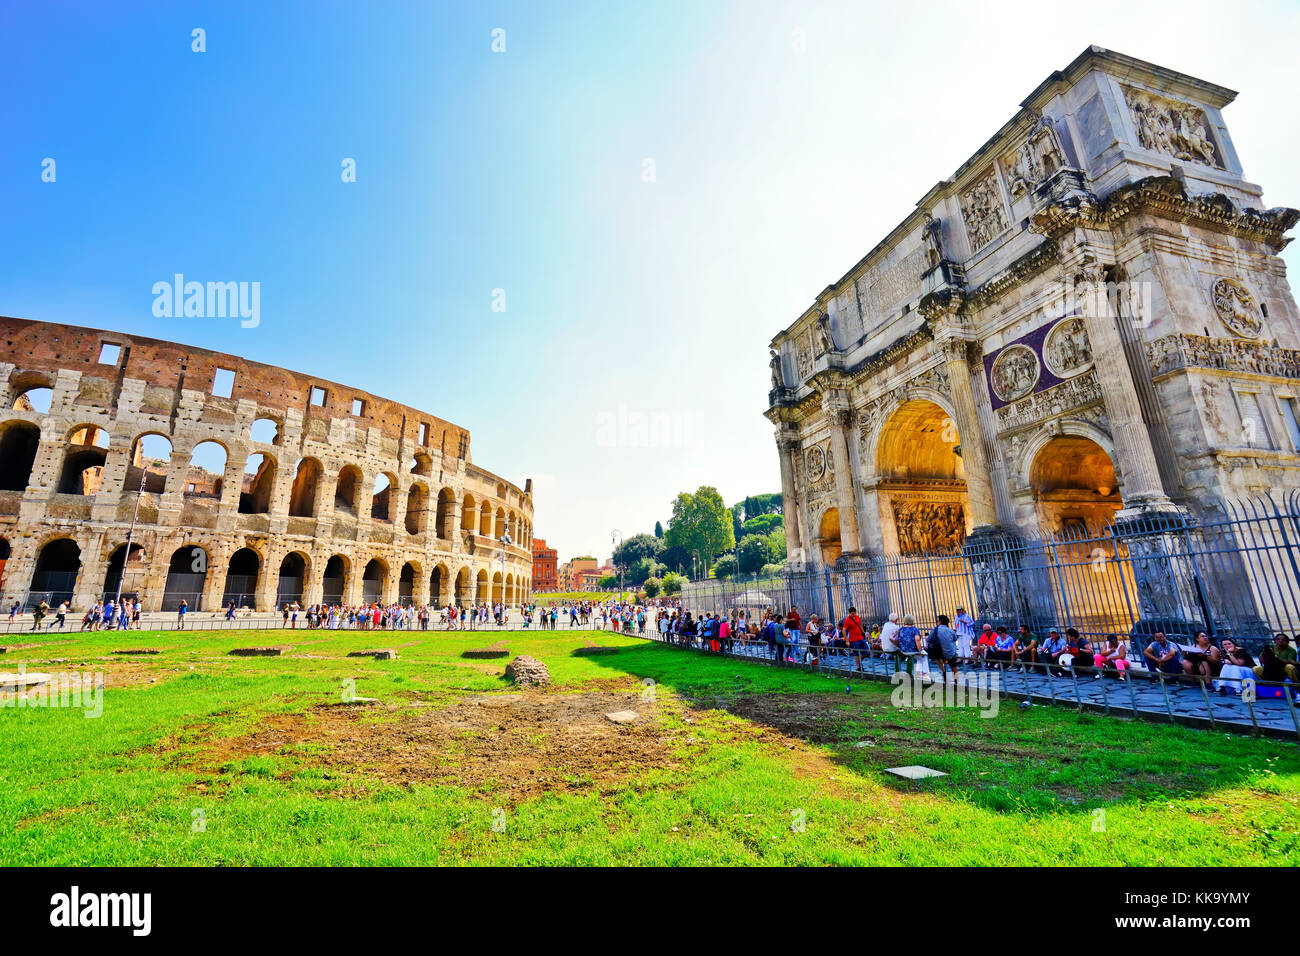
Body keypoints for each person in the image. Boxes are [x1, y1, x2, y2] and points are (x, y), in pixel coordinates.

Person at [927, 614, 961, 682]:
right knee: (953, 666)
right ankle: (956, 680)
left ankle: (943, 671)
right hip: (950, 652)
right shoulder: (951, 630)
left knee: (936, 658)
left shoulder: (935, 629)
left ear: (939, 621)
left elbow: (929, 639)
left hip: (938, 652)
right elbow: (955, 638)